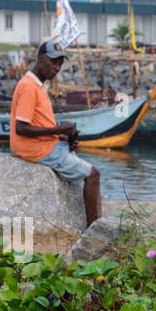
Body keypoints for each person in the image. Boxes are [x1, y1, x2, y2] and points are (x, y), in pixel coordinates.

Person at [10, 40, 101, 227]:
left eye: (60, 63)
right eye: (53, 62)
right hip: (36, 150)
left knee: (74, 157)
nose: (57, 67)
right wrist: (60, 129)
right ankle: (94, 228)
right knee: (93, 174)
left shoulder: (38, 85)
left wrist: (61, 137)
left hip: (43, 145)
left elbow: (36, 125)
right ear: (41, 59)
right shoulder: (28, 87)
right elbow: (21, 128)